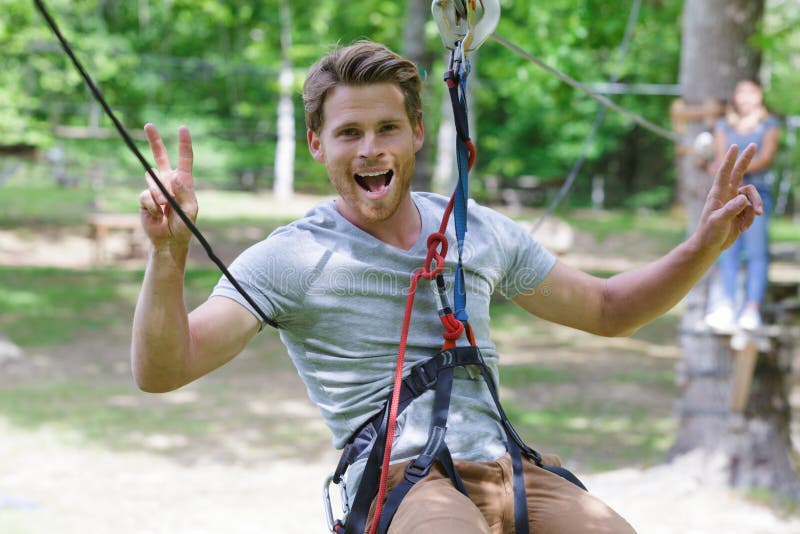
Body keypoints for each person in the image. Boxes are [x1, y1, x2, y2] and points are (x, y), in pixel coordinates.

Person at [132, 41, 761, 534]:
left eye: (388, 129)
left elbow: (607, 308)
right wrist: (168, 255)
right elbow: (164, 368)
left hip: (512, 471)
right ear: (317, 144)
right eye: (350, 133)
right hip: (402, 483)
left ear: (418, 134)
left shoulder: (475, 230)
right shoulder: (289, 259)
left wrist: (701, 246)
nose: (371, 149)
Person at [704, 79, 780, 332]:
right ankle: (727, 304)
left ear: (759, 95)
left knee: (757, 252)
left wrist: (735, 171)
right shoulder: (724, 124)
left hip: (759, 194)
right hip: (731, 194)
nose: (745, 97)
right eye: (741, 92)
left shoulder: (769, 124)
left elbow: (766, 157)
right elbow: (720, 155)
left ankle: (751, 309)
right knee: (728, 250)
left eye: (751, 91)